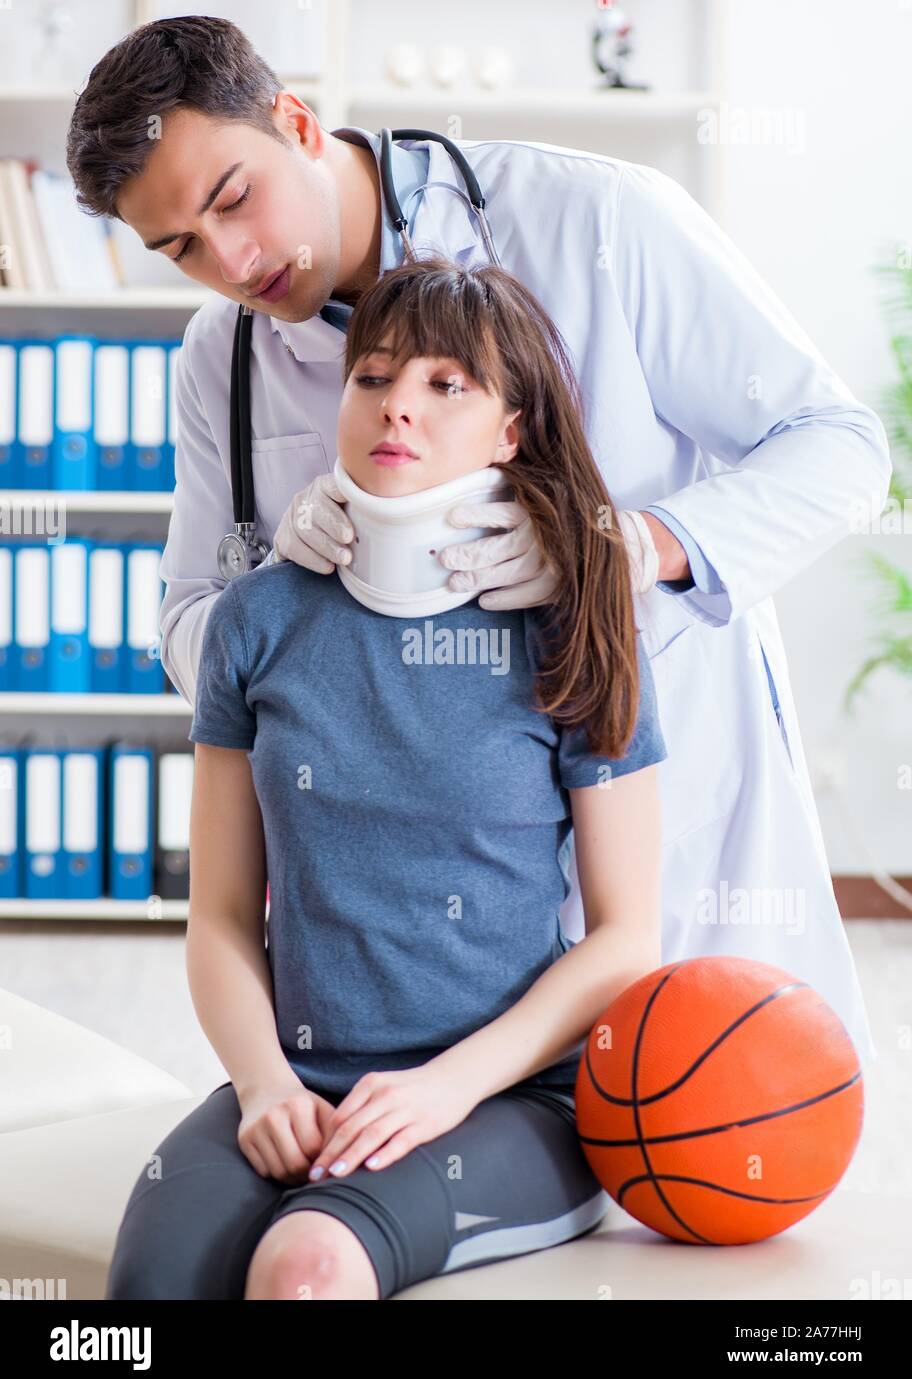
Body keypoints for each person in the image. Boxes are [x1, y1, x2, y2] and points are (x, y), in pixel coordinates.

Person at [65, 18, 890, 1073]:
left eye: (232, 198)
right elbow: (189, 628)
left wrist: (631, 549)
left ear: (298, 121)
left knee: (707, 1171)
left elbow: (841, 447)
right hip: (419, 937)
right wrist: (276, 594)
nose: (231, 260)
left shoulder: (597, 221)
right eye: (178, 246)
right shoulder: (220, 360)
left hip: (666, 842)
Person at [104, 254, 668, 1300]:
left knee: (306, 1266)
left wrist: (443, 1089)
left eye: (447, 384)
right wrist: (266, 1084)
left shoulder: (576, 624)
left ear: (511, 433)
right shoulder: (254, 621)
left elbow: (628, 936)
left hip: (510, 1098)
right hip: (303, 1075)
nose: (397, 406)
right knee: (149, 1287)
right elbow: (221, 916)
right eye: (375, 377)